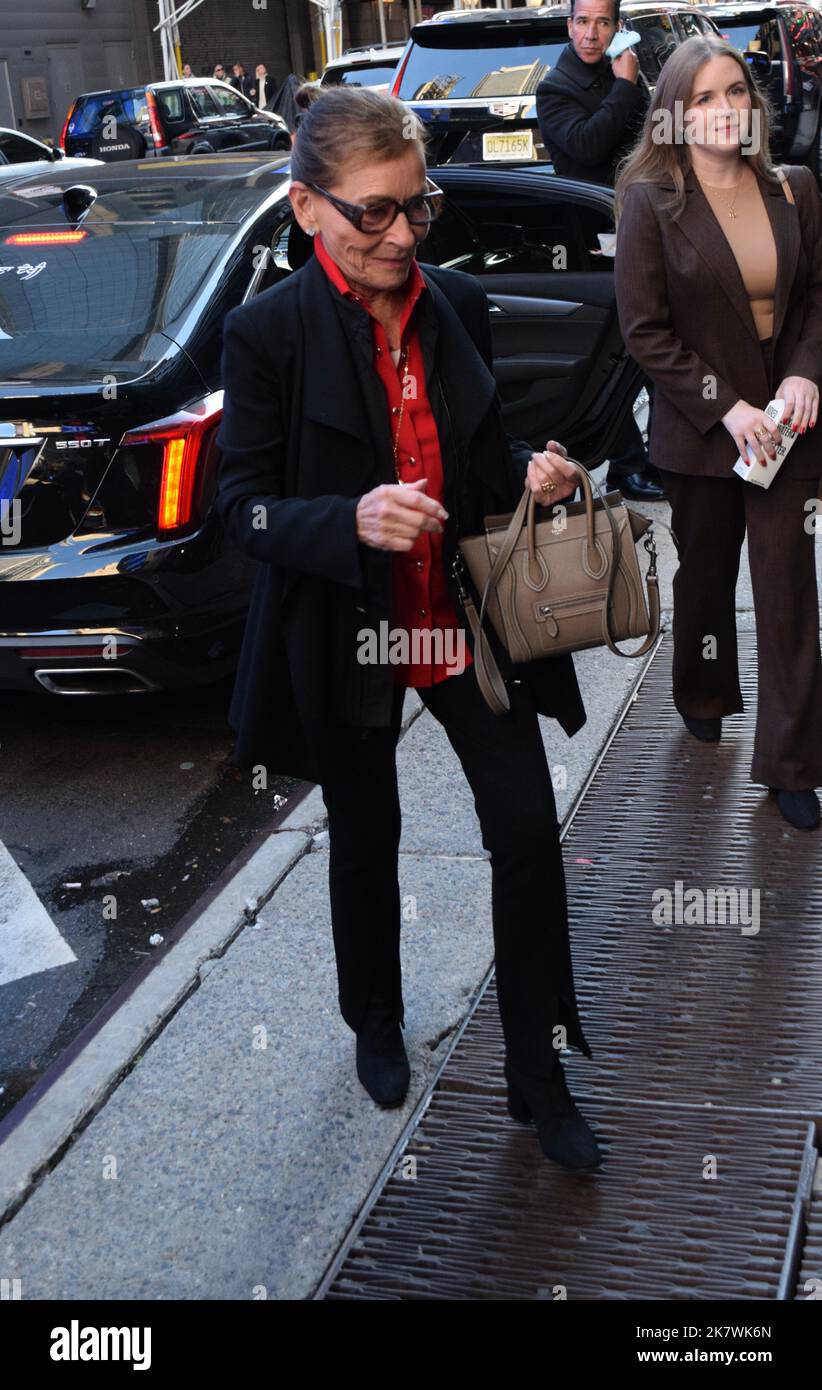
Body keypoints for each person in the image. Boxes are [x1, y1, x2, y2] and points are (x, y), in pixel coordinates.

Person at [215, 85, 603, 1169]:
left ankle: (537, 1069)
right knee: (366, 831)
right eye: (373, 212)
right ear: (308, 207)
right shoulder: (267, 334)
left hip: (461, 615)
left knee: (526, 830)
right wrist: (347, 518)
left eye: (415, 206)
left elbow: (482, 457)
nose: (400, 234)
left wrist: (536, 473)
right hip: (349, 629)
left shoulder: (455, 304)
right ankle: (376, 1019)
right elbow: (239, 509)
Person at [614, 35, 822, 830]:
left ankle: (792, 765)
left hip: (789, 430)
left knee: (787, 589)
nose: (724, 109)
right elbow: (646, 330)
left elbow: (817, 298)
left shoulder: (794, 188)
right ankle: (702, 690)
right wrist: (726, 407)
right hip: (704, 432)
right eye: (703, 97)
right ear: (674, 112)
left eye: (735, 91)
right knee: (706, 576)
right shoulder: (651, 203)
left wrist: (804, 374)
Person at [536, 0, 664, 502]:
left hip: (642, 225)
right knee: (613, 351)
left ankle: (661, 457)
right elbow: (587, 145)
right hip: (590, 235)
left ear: (616, 27)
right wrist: (625, 87)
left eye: (602, 22)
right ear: (570, 26)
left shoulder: (622, 71)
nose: (591, 33)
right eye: (583, 22)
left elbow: (654, 138)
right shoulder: (556, 87)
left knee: (653, 340)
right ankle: (627, 465)